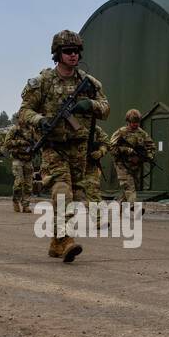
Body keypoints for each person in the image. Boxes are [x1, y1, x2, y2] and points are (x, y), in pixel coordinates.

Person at [16, 29, 110, 262]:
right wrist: (41, 120)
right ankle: (66, 238)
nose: (73, 55)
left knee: (75, 195)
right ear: (57, 54)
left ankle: (56, 243)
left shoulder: (88, 83)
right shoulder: (43, 82)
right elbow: (24, 111)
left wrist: (90, 105)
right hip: (54, 147)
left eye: (76, 51)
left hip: (79, 148)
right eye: (68, 51)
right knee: (62, 192)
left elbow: (106, 108)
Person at [107, 109, 156, 209]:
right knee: (129, 185)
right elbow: (111, 147)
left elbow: (151, 146)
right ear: (128, 122)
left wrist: (148, 156)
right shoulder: (121, 133)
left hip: (135, 165)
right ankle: (135, 206)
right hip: (122, 164)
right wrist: (126, 150)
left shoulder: (142, 134)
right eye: (133, 122)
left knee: (130, 188)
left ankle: (118, 209)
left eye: (137, 122)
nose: (135, 124)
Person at [6, 124, 36, 213]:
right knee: (19, 182)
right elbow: (7, 143)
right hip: (17, 159)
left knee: (28, 185)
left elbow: (37, 140)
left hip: (28, 159)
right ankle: (15, 201)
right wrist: (20, 142)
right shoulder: (14, 129)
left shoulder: (32, 129)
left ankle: (26, 205)